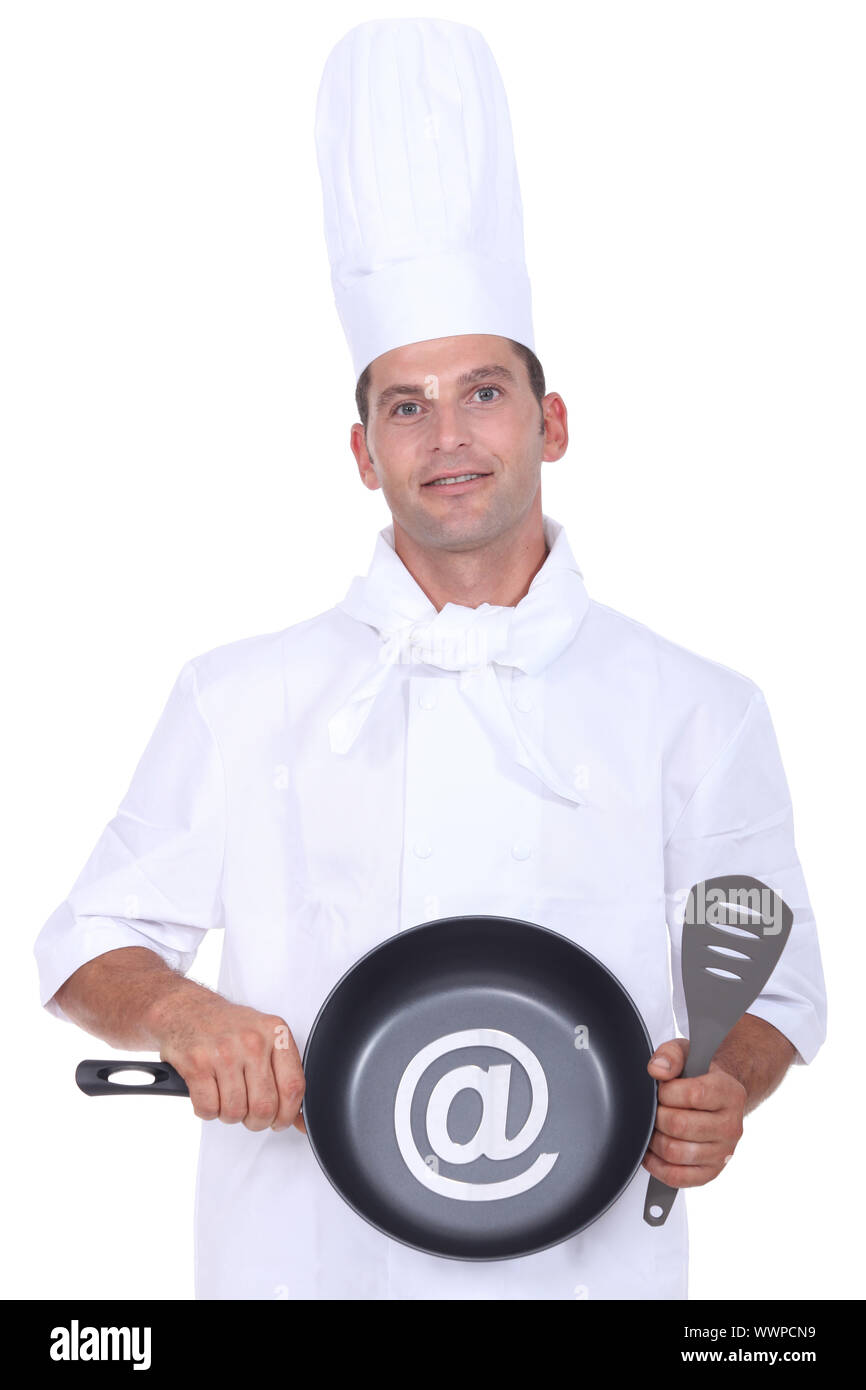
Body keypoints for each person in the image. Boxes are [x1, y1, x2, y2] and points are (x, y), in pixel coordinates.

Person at [35, 18, 826, 1300]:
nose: (445, 436)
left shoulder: (698, 709)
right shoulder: (239, 696)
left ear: (550, 421)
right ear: (360, 451)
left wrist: (727, 1080)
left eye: (482, 392)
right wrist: (186, 1018)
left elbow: (772, 979)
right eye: (403, 404)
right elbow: (87, 942)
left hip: (587, 1283)